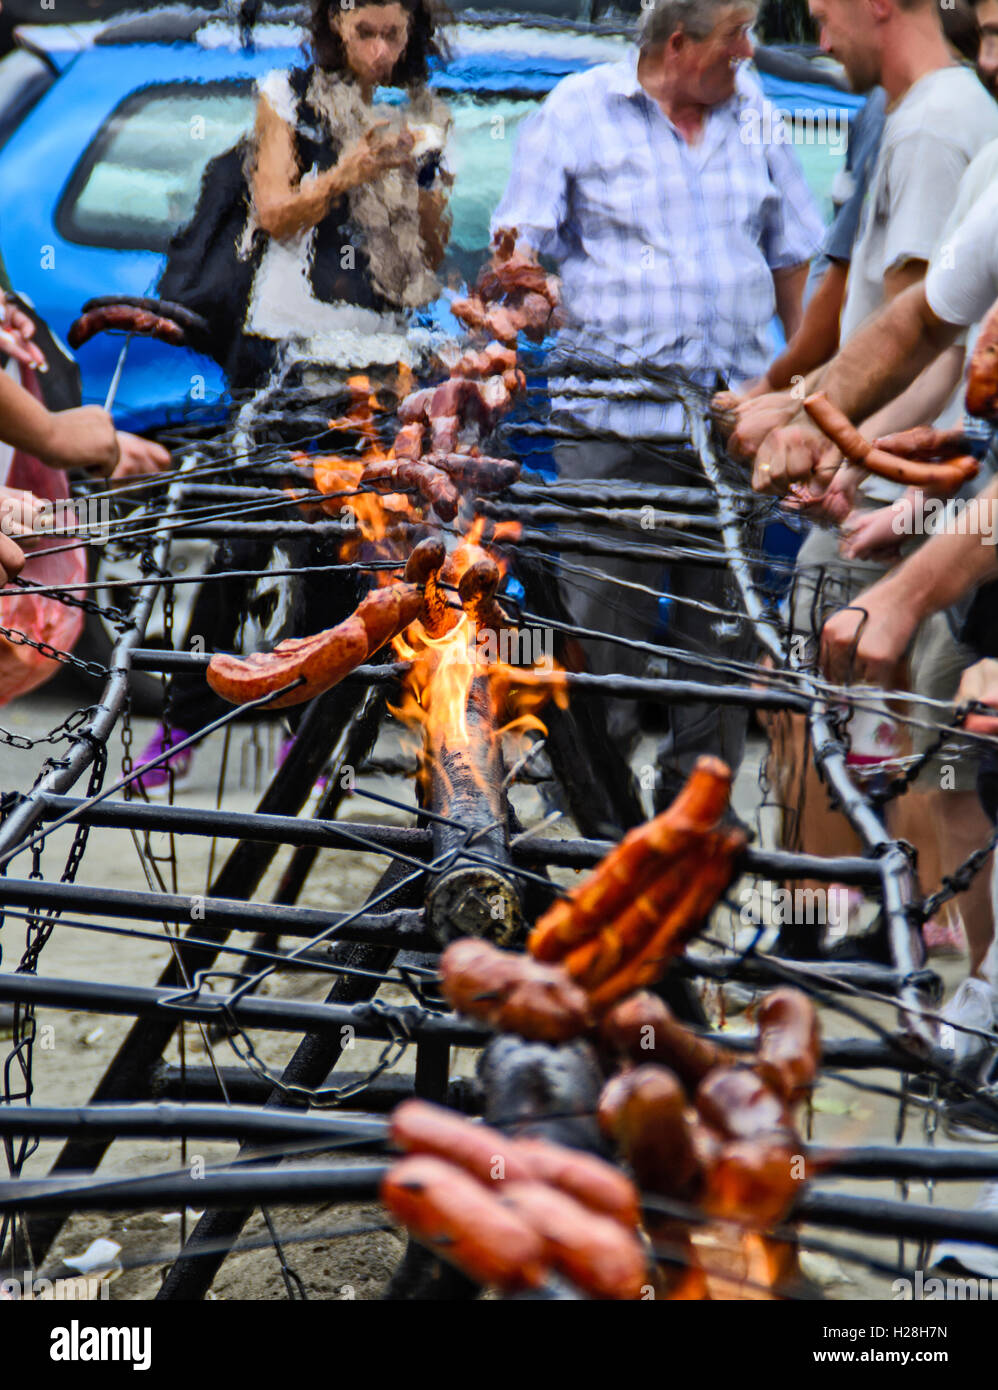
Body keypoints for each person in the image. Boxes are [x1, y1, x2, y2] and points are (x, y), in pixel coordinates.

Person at [489, 0, 823, 805]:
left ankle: (697, 823)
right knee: (607, 638)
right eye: (737, 34)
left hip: (731, 429)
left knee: (722, 644)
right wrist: (527, 289)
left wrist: (806, 388)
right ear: (681, 44)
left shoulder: (756, 113)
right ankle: (600, 819)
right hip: (613, 430)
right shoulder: (578, 111)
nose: (750, 50)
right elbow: (515, 245)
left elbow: (794, 254)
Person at [136, 0, 453, 792]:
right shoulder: (285, 94)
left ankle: (310, 743)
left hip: (380, 359)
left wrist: (425, 184)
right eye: (364, 33)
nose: (379, 51)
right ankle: (181, 718)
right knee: (246, 537)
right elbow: (274, 213)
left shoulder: (420, 113)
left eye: (393, 35)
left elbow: (433, 258)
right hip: (284, 348)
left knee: (344, 550)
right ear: (332, 29)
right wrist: (347, 172)